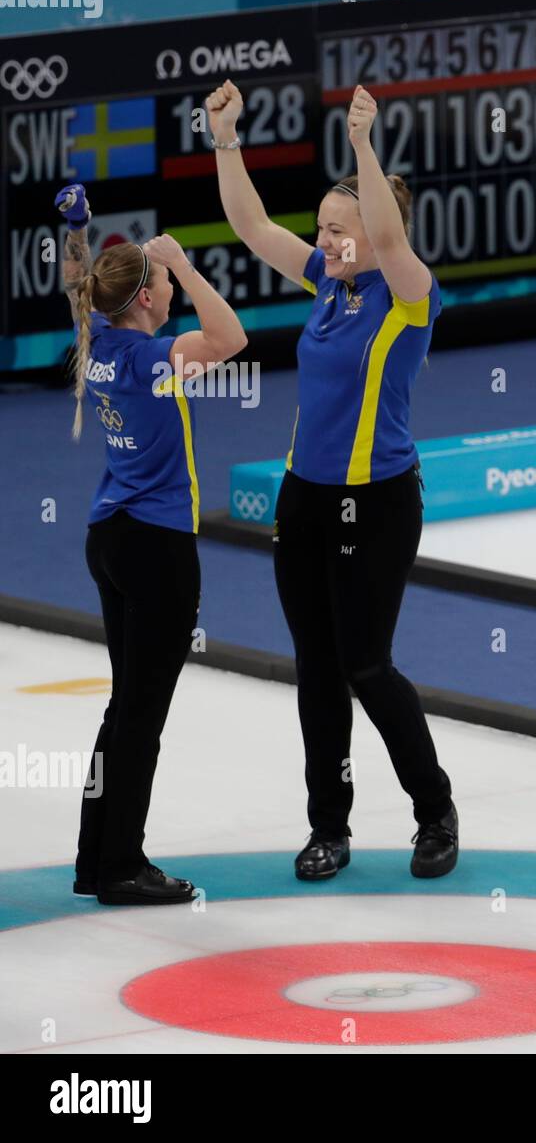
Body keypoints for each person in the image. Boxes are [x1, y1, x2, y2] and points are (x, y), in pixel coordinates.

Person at [205, 80, 456, 882]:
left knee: (366, 665)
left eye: (338, 229)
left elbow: (384, 233)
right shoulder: (328, 285)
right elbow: (250, 225)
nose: (326, 241)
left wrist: (362, 148)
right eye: (322, 229)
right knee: (317, 668)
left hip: (377, 504)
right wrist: (225, 138)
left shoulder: (408, 296)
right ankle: (330, 827)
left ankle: (434, 809)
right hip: (303, 498)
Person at [57, 183, 247, 904]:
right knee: (142, 715)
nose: (170, 287)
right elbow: (232, 340)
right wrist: (191, 268)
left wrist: (78, 224)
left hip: (108, 537)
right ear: (144, 300)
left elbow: (78, 279)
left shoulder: (100, 338)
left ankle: (93, 859)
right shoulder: (150, 361)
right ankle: (121, 866)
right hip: (159, 547)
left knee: (123, 706)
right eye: (163, 282)